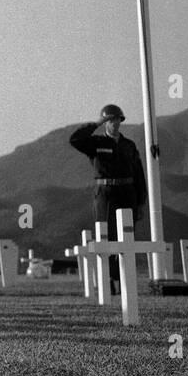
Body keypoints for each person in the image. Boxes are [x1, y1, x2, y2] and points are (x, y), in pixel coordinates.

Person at [69, 103, 147, 294]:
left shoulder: (129, 145)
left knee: (126, 238)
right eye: (111, 120)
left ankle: (124, 281)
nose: (115, 123)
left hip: (127, 193)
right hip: (105, 195)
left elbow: (138, 174)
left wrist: (141, 201)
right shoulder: (95, 143)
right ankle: (110, 281)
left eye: (118, 119)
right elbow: (75, 140)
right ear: (105, 122)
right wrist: (96, 123)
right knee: (107, 237)